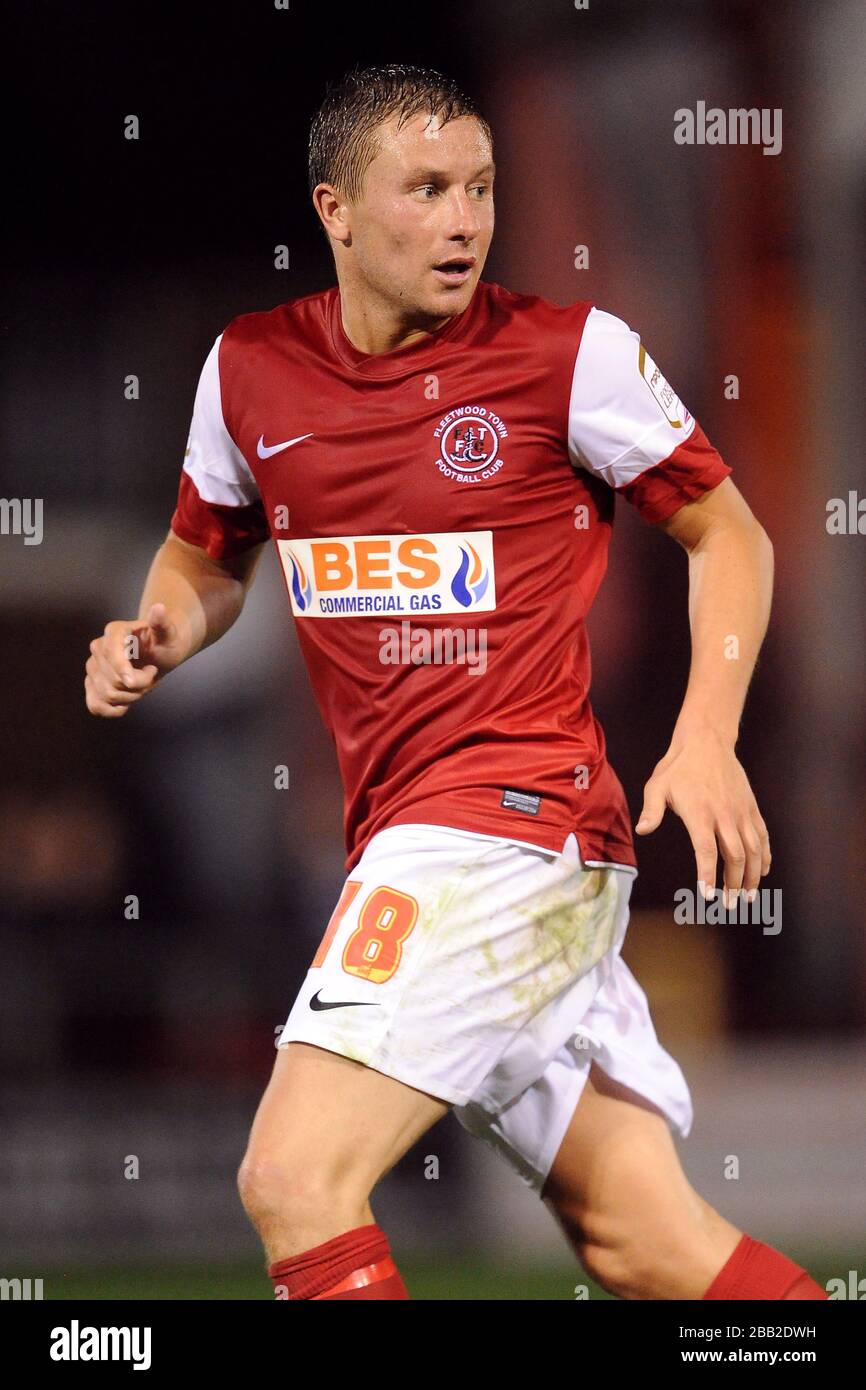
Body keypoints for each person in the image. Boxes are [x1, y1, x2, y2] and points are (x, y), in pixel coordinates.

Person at [85, 63, 826, 1301]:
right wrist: (157, 628)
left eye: (479, 187)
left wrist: (704, 736)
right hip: (432, 843)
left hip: (502, 828)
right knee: (645, 1245)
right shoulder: (249, 370)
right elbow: (207, 553)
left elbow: (728, 533)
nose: (464, 219)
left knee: (292, 1179)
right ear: (334, 210)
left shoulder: (567, 356)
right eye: (425, 189)